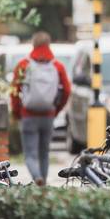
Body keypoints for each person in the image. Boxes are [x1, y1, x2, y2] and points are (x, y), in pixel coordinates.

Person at [10, 32, 71, 186]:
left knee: (30, 154)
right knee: (44, 153)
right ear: (48, 44)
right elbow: (67, 90)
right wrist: (56, 109)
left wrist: (17, 112)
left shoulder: (24, 65)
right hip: (48, 115)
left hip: (28, 115)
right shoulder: (57, 66)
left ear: (34, 44)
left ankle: (37, 177)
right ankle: (43, 185)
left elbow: (14, 91)